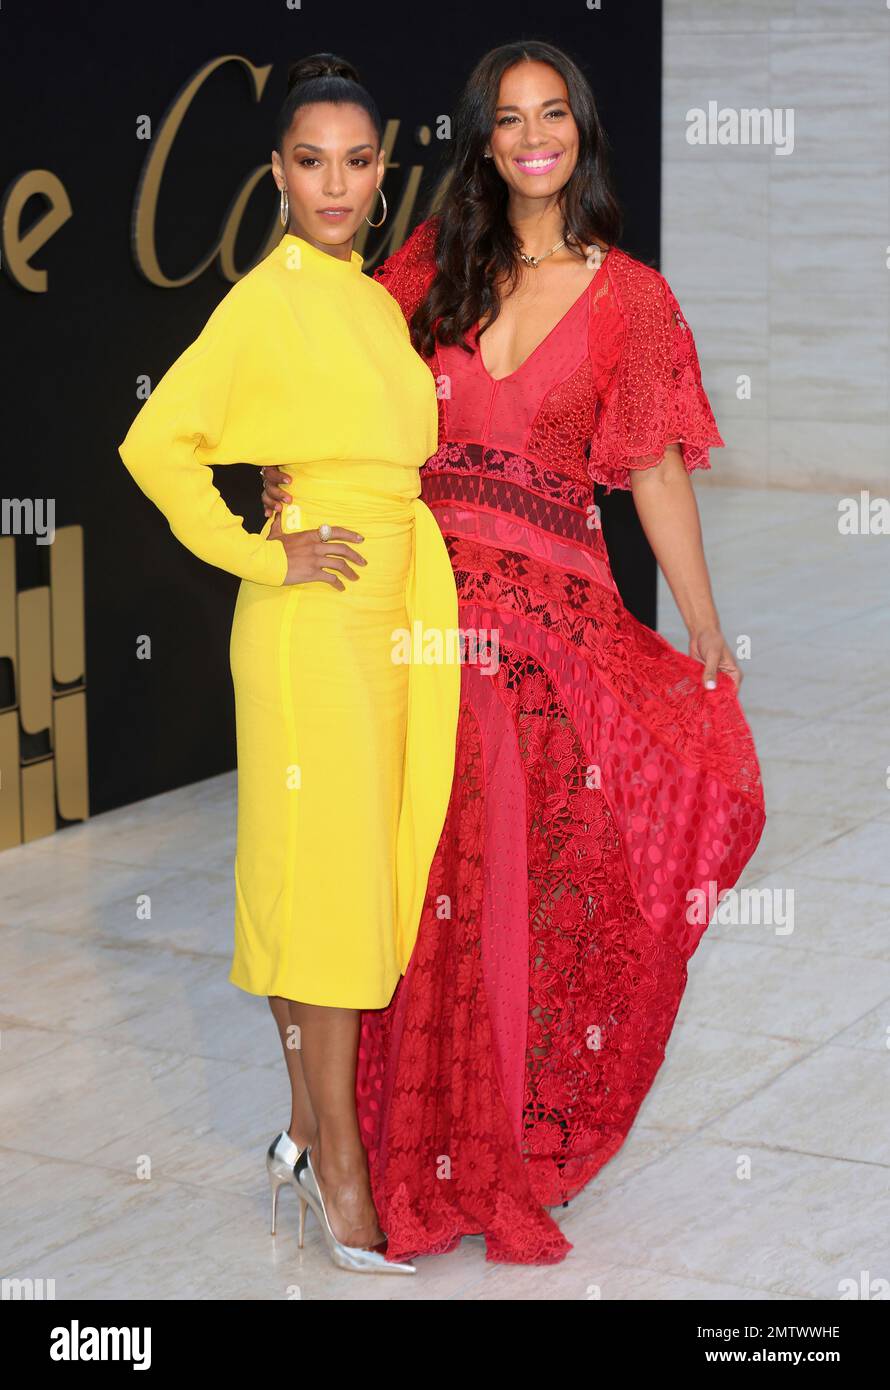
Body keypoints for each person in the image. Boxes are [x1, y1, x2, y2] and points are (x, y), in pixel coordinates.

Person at [265, 40, 766, 1266]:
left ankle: (462, 1139)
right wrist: (284, 476)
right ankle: (342, 1128)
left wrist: (700, 620)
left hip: (541, 598)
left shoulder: (631, 298)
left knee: (488, 754)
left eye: (552, 114)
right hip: (412, 583)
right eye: (507, 118)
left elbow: (649, 465)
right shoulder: (430, 264)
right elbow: (344, 386)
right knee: (358, 844)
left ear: (579, 134)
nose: (531, 135)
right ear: (482, 140)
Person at [118, 53, 459, 1274]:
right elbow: (157, 443)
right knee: (324, 898)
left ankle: (311, 1134)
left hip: (387, 622)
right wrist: (264, 553)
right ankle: (343, 1175)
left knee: (342, 881)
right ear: (275, 172)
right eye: (309, 161)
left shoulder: (370, 299)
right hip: (310, 631)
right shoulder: (266, 297)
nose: (334, 183)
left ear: (380, 172)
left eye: (356, 161)